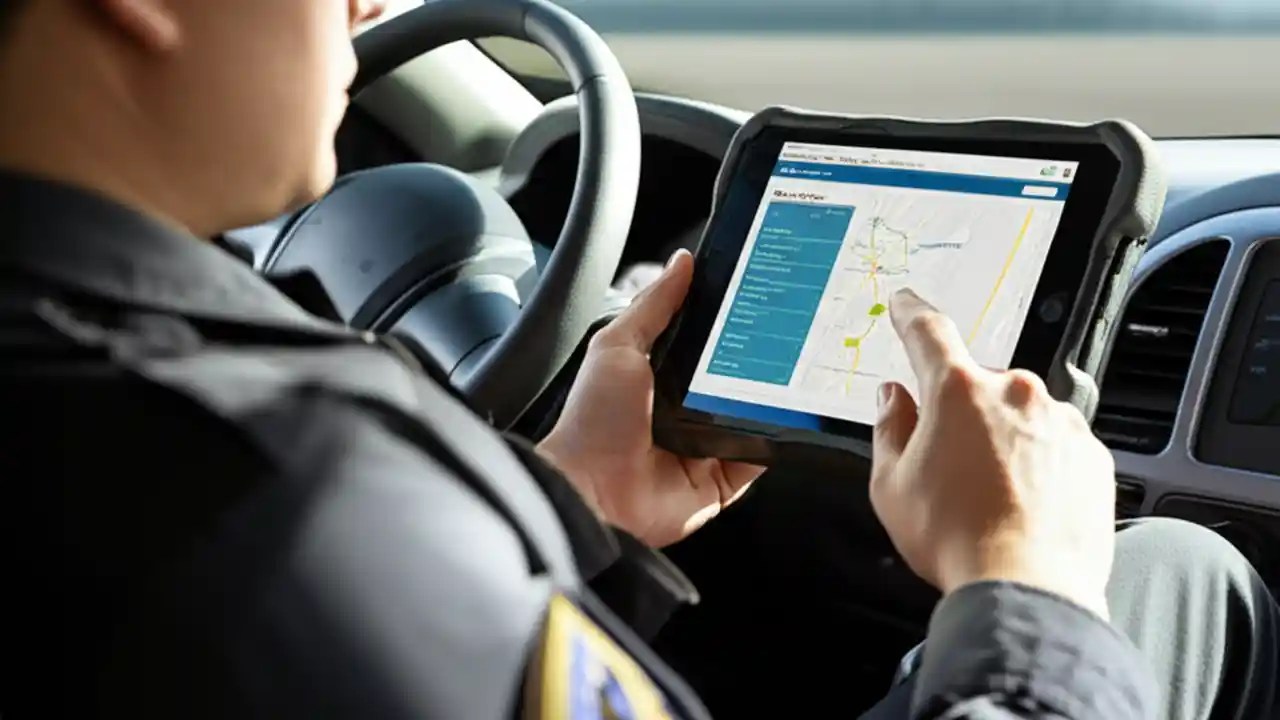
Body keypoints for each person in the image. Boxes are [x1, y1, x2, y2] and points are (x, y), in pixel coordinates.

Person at [0, 1, 1275, 718]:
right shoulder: (273, 501)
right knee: (1175, 573)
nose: (371, 2)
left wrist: (562, 508)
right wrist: (1028, 597)